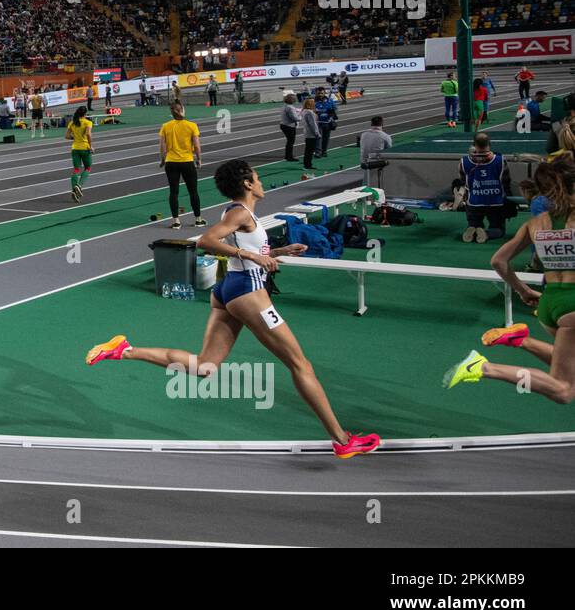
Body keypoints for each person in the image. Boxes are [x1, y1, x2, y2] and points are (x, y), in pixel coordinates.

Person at [86, 160, 381, 458]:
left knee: (205, 366)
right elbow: (206, 240)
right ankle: (342, 440)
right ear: (247, 184)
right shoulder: (240, 212)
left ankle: (124, 349)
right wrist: (249, 254)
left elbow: (245, 248)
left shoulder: (235, 212)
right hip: (248, 293)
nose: (262, 182)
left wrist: (277, 252)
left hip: (228, 289)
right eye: (258, 177)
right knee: (301, 365)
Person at [445, 157, 575, 404]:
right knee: (564, 390)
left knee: (568, 363)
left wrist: (522, 290)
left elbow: (499, 261)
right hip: (572, 306)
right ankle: (483, 368)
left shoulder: (535, 223)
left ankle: (520, 340)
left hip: (550, 304)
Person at [460, 132, 512, 243]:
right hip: (495, 202)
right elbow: (506, 182)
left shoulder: (464, 161)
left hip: (474, 202)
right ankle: (487, 233)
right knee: (498, 229)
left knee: (474, 224)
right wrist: (508, 200)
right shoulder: (500, 160)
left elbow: (464, 182)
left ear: (474, 144)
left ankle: (473, 229)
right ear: (489, 143)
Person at [159, 101, 203, 229]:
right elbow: (197, 145)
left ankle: (176, 221)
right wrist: (199, 159)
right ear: (182, 110)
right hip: (187, 162)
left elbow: (162, 146)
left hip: (171, 162)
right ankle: (198, 219)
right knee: (193, 191)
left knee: (174, 192)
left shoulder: (165, 126)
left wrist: (163, 160)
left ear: (171, 113)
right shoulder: (192, 126)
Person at [65, 105, 94, 203]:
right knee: (88, 168)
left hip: (75, 148)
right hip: (85, 148)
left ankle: (74, 190)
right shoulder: (88, 122)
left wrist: (75, 138)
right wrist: (90, 146)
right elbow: (88, 134)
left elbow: (67, 136)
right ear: (85, 114)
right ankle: (79, 185)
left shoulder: (72, 123)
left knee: (76, 169)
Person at [360, 116, 393, 187]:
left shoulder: (363, 134)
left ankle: (366, 187)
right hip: (376, 163)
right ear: (382, 124)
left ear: (371, 124)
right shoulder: (385, 136)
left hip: (364, 161)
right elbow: (389, 150)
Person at [279, 93, 301, 162]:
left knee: (289, 141)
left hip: (284, 124)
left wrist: (298, 111)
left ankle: (288, 155)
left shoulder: (285, 106)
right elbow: (295, 118)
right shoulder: (290, 108)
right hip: (289, 126)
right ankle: (289, 156)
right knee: (290, 142)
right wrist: (301, 116)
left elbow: (294, 110)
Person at [315, 91, 337, 158]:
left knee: (326, 138)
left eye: (321, 93)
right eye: (319, 93)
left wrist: (332, 112)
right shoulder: (314, 101)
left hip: (327, 123)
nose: (320, 94)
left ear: (324, 93)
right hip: (318, 123)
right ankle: (318, 153)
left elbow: (335, 109)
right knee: (318, 138)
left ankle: (324, 151)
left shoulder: (329, 101)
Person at [301, 97, 321, 170]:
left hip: (307, 132)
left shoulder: (304, 111)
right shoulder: (310, 112)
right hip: (311, 134)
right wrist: (317, 133)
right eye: (313, 103)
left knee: (308, 150)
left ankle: (307, 164)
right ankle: (308, 165)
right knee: (310, 151)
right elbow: (313, 124)